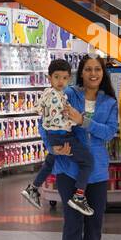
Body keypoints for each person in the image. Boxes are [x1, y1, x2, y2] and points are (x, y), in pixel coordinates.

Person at [39, 56, 119, 240]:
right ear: (80, 73)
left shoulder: (109, 102)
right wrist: (51, 147)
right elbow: (44, 123)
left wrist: (83, 121)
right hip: (69, 169)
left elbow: (109, 133)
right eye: (88, 69)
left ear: (103, 74)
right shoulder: (69, 94)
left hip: (97, 172)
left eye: (97, 69)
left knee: (94, 226)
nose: (93, 73)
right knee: (73, 224)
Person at [20, 59, 95, 217]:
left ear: (69, 78)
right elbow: (58, 119)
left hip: (53, 136)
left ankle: (33, 188)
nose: (61, 81)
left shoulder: (50, 93)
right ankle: (79, 196)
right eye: (57, 77)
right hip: (62, 136)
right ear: (49, 78)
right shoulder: (57, 96)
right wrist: (76, 119)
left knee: (51, 161)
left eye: (64, 78)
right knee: (87, 161)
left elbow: (38, 109)